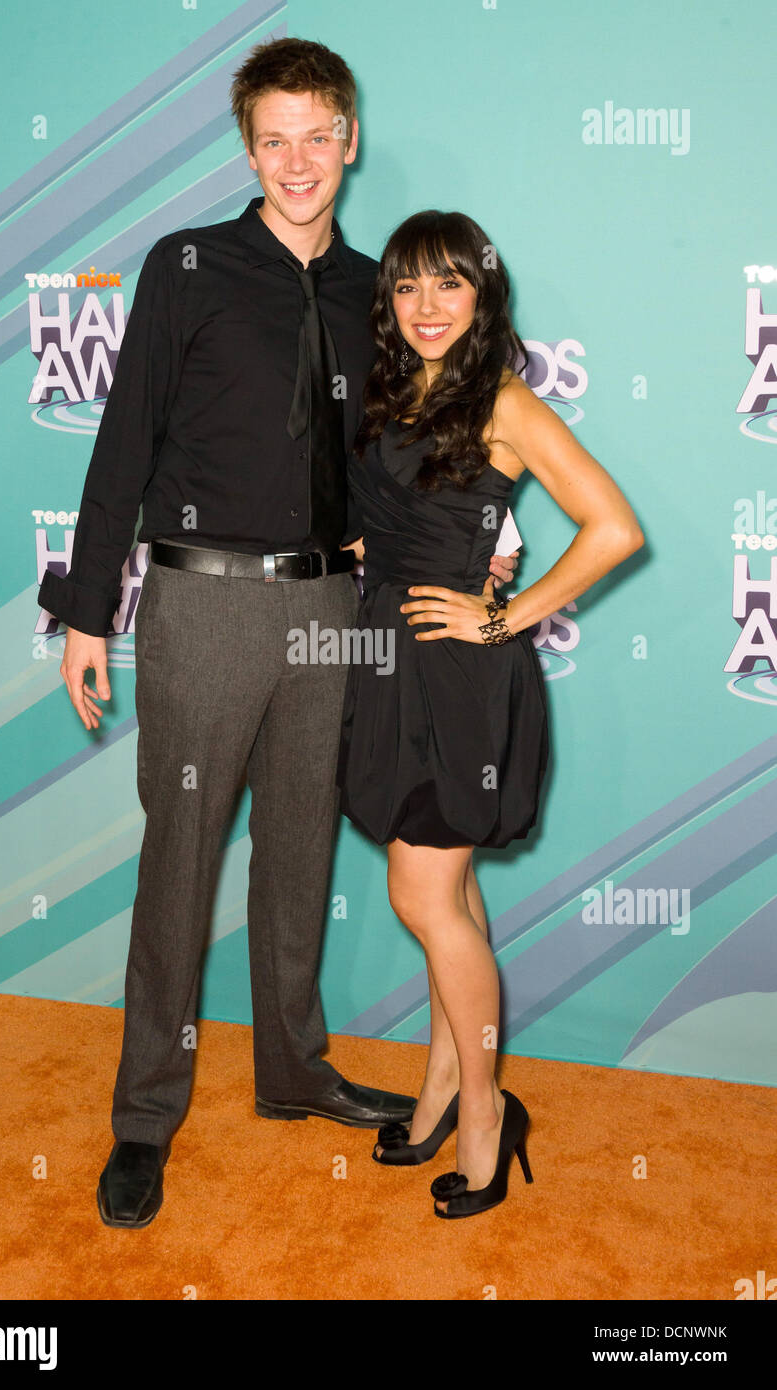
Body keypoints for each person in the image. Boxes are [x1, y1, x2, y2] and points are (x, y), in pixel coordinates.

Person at [36, 38, 521, 1228]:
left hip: (335, 613)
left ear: (349, 139)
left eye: (319, 136)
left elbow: (427, 453)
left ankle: (293, 1070)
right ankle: (145, 1116)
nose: (297, 161)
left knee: (303, 849)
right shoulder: (186, 266)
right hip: (202, 602)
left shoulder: (378, 293)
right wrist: (87, 612)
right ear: (245, 147)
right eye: (274, 139)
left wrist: (490, 549)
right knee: (181, 860)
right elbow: (123, 445)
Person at [335, 209, 644, 1219]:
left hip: (458, 681)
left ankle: (481, 1114)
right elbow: (395, 522)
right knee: (447, 901)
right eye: (408, 286)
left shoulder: (502, 401)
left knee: (425, 902)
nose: (427, 306)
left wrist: (503, 611)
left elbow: (613, 527)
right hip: (387, 661)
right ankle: (437, 1091)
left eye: (448, 284)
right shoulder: (392, 389)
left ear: (481, 294)